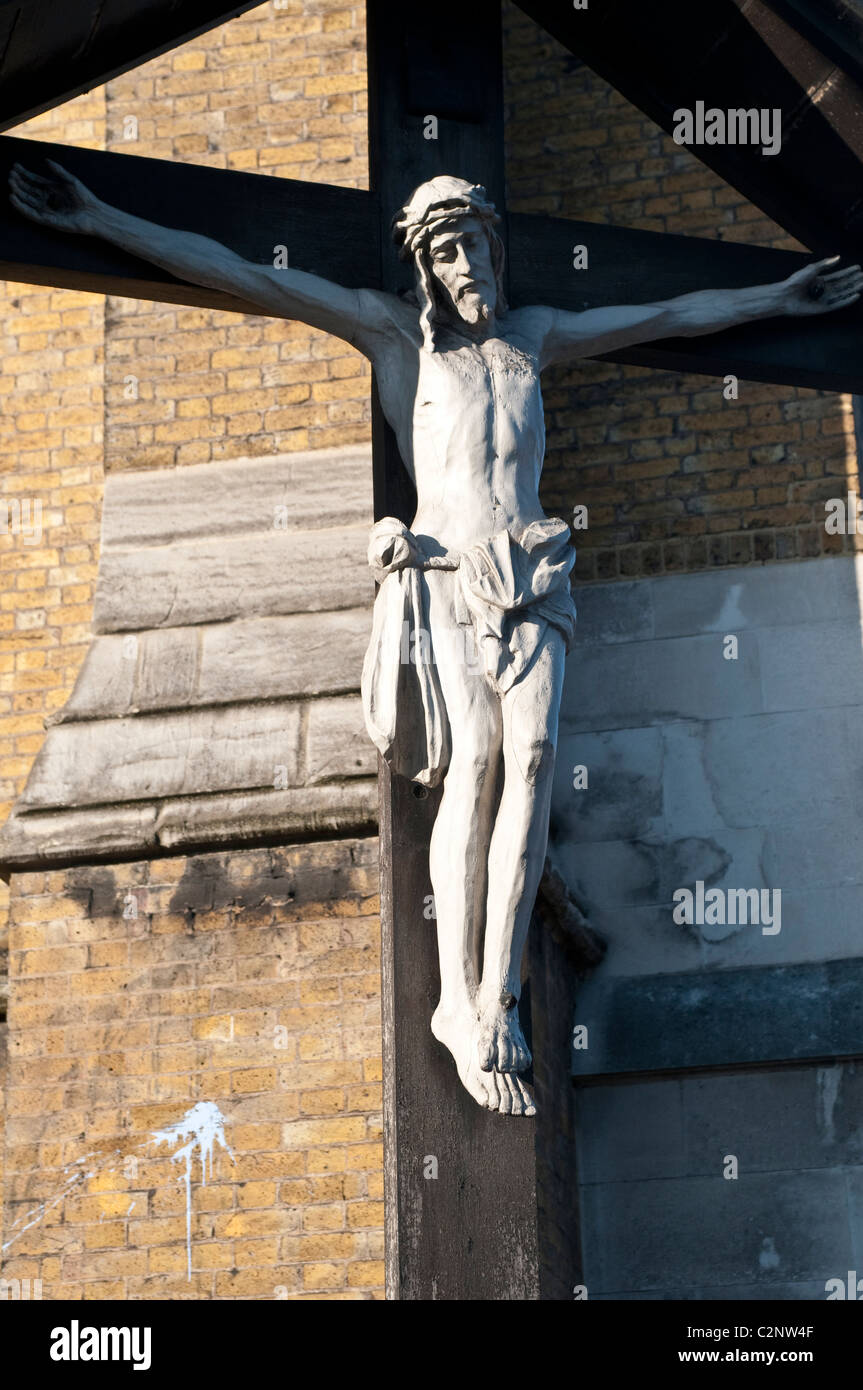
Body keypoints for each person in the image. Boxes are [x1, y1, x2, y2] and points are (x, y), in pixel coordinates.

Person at [11, 163, 860, 1116]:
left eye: (475, 245)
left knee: (535, 759)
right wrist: (96, 218)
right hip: (449, 573)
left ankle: (499, 990)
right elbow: (245, 271)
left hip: (534, 572)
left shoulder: (533, 337)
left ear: (497, 249)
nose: (465, 265)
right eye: (445, 251)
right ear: (425, 265)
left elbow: (668, 313)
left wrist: (778, 294)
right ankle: (459, 1004)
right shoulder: (390, 333)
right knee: (483, 758)